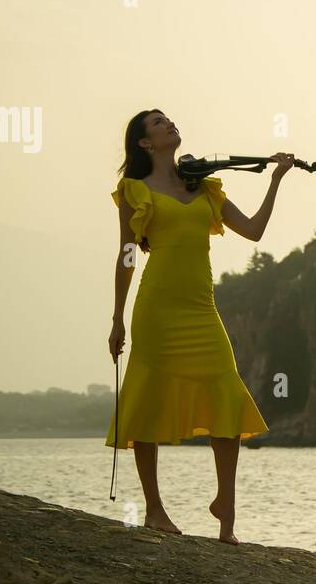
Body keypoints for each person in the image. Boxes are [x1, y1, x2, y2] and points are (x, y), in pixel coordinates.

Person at [106, 108, 294, 542]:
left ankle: (225, 515)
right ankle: (154, 509)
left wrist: (275, 180)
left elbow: (254, 231)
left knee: (226, 398)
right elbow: (127, 255)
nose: (168, 123)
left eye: (168, 119)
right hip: (156, 309)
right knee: (147, 402)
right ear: (144, 143)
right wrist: (117, 318)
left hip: (200, 309)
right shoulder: (134, 190)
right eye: (157, 123)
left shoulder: (204, 186)